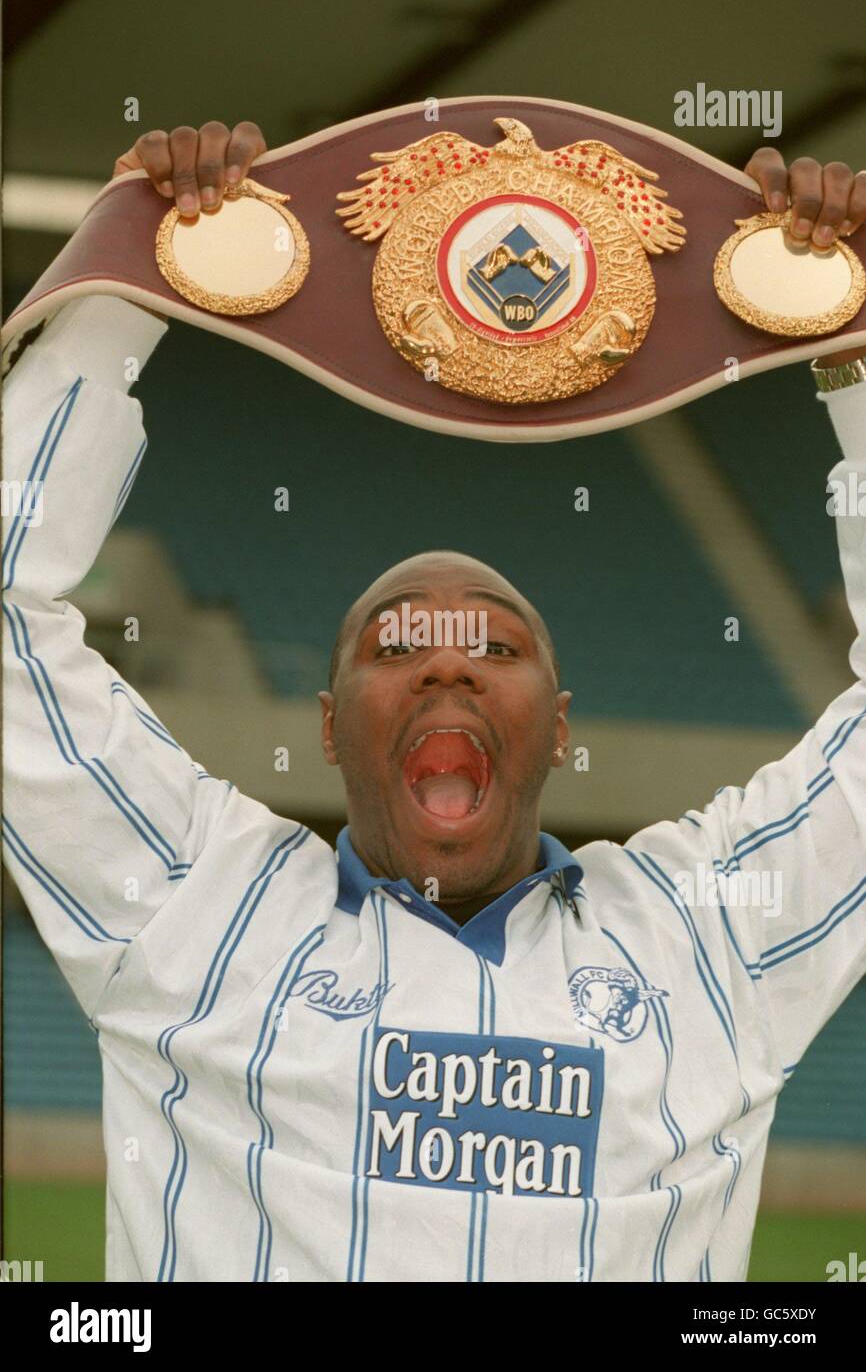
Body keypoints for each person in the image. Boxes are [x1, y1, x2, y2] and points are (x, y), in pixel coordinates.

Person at [3, 122, 865, 1283]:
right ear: (326, 722)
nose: (448, 663)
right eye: (397, 640)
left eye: (494, 647)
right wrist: (128, 280)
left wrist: (846, 351)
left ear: (558, 725)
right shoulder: (193, 907)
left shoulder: (708, 936)